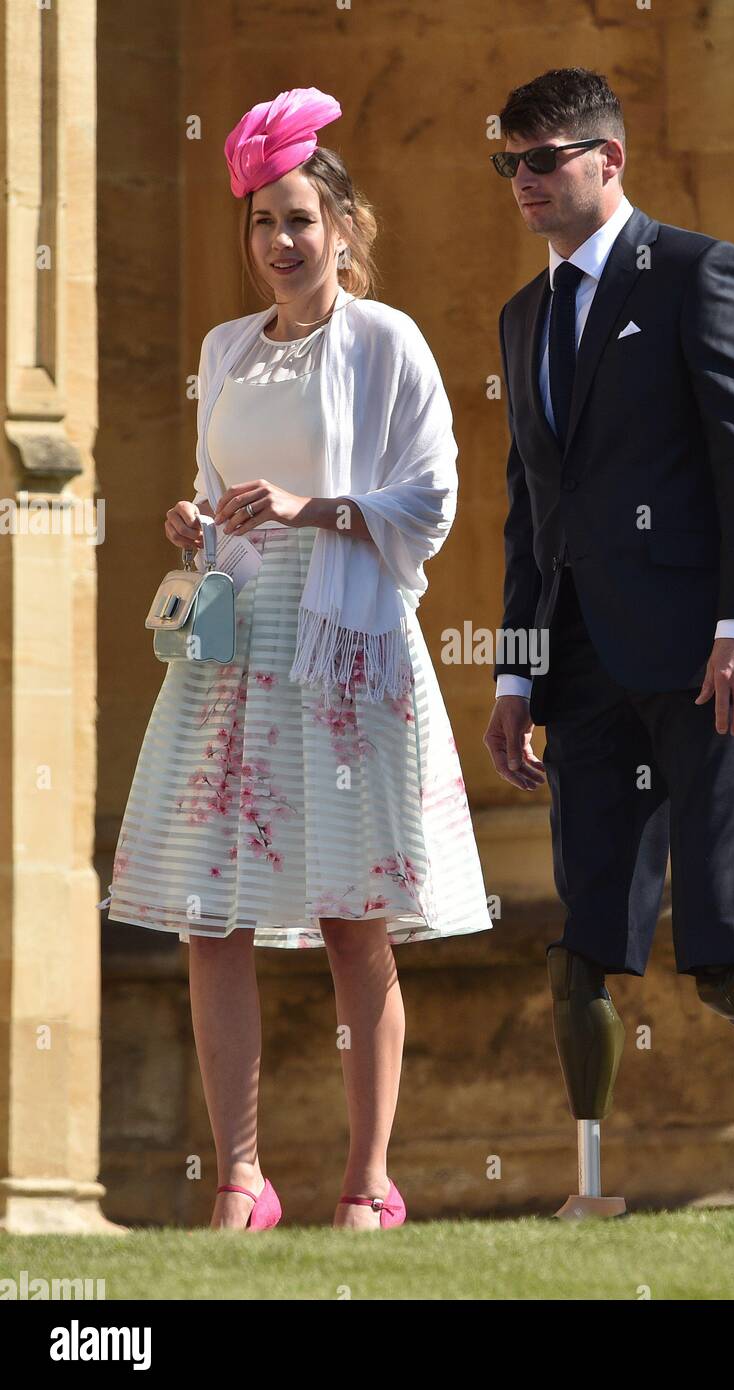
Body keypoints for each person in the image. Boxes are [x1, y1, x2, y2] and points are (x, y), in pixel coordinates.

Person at [483, 68, 734, 1216]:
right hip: (583, 666)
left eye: (544, 158)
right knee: (584, 945)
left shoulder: (699, 272)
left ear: (608, 159)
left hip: (714, 661)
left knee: (722, 956)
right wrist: (516, 668)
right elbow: (532, 512)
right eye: (508, 161)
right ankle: (591, 1193)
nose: (522, 179)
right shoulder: (523, 318)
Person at [101, 87, 492, 1233]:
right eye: (262, 223)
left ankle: (370, 1183)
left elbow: (432, 499)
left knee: (351, 912)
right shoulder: (225, 350)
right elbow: (228, 491)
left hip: (343, 644)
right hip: (231, 644)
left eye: (299, 219)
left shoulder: (386, 342)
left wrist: (315, 508)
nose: (280, 241)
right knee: (206, 913)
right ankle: (241, 1177)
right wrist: (199, 522)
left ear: (342, 226)